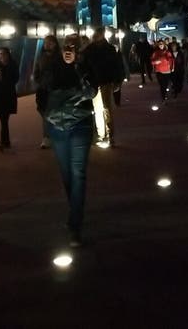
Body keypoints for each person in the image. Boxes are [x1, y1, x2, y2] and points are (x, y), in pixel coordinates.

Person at [44, 37, 97, 247]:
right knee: (67, 175)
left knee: (78, 174)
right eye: (66, 47)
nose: (69, 51)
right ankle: (75, 209)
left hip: (80, 124)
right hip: (57, 126)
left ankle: (76, 225)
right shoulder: (52, 64)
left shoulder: (84, 65)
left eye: (73, 47)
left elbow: (92, 91)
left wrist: (78, 66)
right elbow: (42, 88)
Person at [83, 28, 121, 147]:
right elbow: (84, 66)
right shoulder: (89, 50)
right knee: (99, 109)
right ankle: (102, 135)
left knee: (106, 108)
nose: (95, 36)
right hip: (94, 82)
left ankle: (110, 135)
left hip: (105, 81)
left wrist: (117, 81)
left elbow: (116, 66)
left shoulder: (109, 49)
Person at [33, 35, 61, 148]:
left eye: (50, 42)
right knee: (44, 113)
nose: (47, 45)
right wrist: (39, 81)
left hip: (55, 90)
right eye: (45, 43)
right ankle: (48, 137)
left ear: (55, 44)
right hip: (43, 89)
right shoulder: (41, 57)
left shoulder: (59, 57)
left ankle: (50, 137)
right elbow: (36, 71)